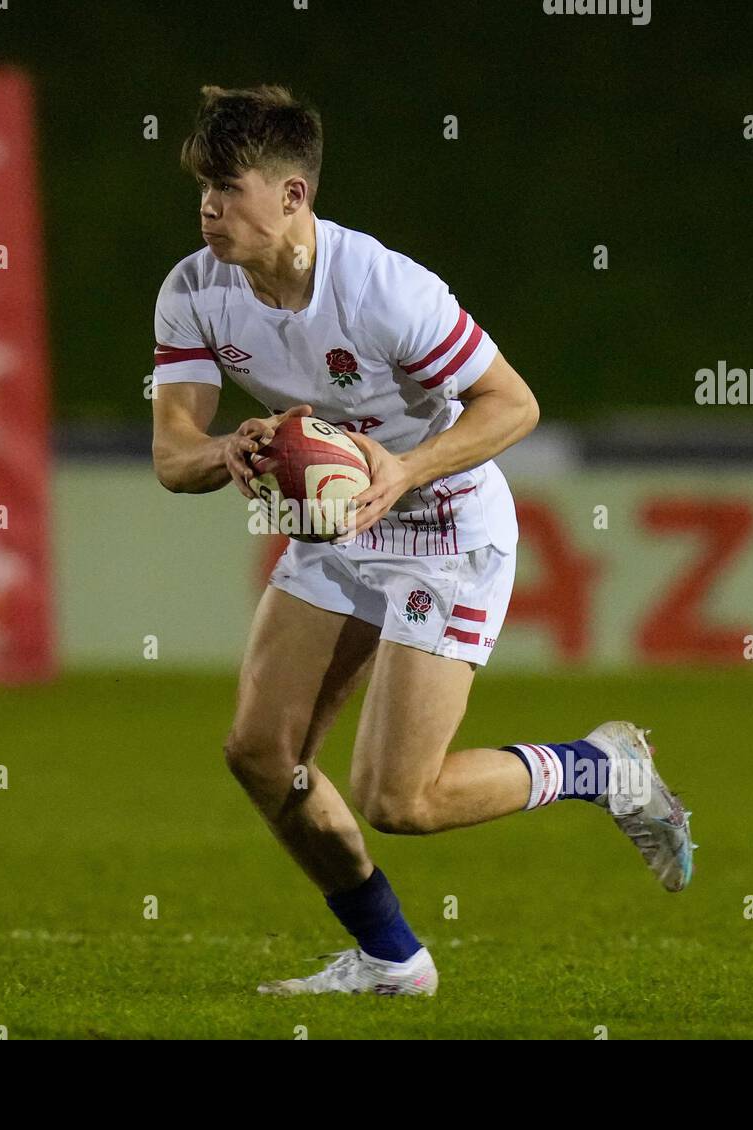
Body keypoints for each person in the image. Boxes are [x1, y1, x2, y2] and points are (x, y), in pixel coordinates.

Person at [150, 84, 694, 996]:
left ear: (293, 196)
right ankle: (391, 958)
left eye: (228, 187)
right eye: (202, 186)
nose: (208, 207)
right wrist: (225, 450)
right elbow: (174, 456)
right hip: (334, 524)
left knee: (402, 799)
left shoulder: (380, 289)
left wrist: (403, 471)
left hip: (442, 524)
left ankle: (603, 767)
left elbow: (512, 405)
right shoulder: (195, 289)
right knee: (260, 755)